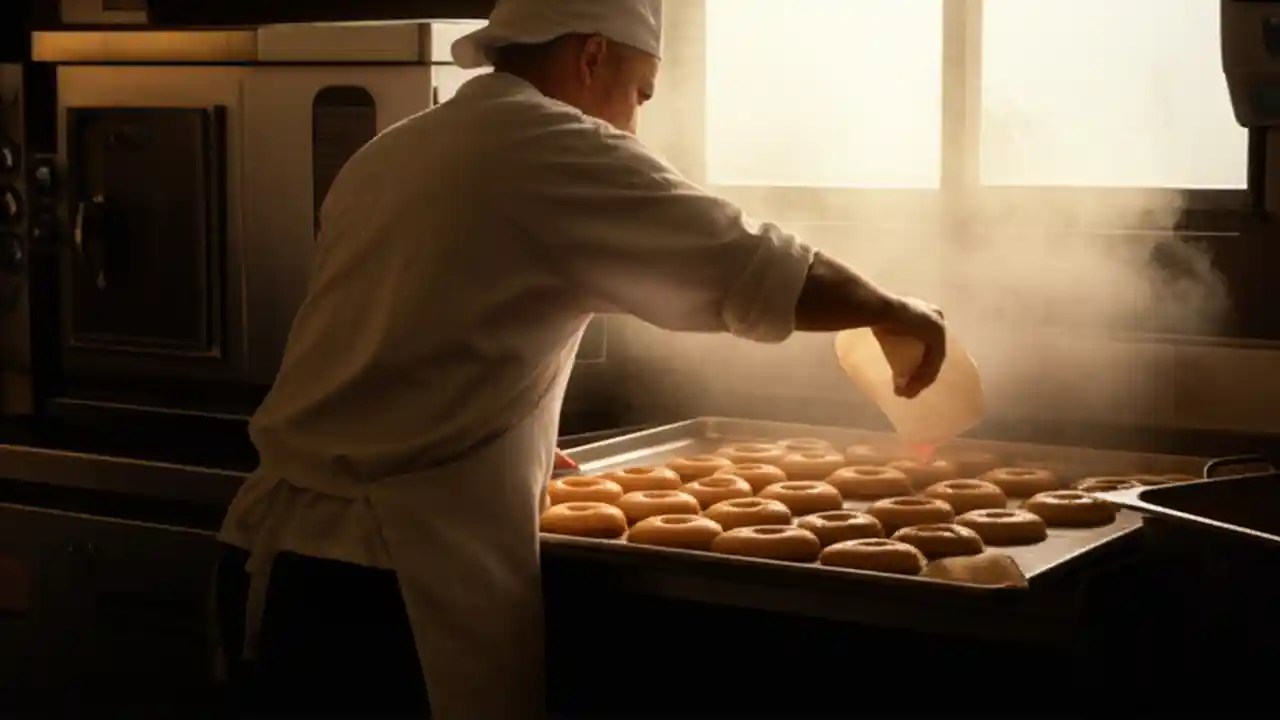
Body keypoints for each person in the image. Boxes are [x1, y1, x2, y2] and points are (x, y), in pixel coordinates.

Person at [214, 0, 948, 717]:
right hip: (383, 584)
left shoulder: (397, 149)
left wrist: (513, 440)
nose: (633, 122)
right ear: (592, 54)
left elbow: (415, 340)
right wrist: (892, 308)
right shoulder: (547, 143)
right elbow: (747, 264)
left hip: (272, 552)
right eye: (640, 93)